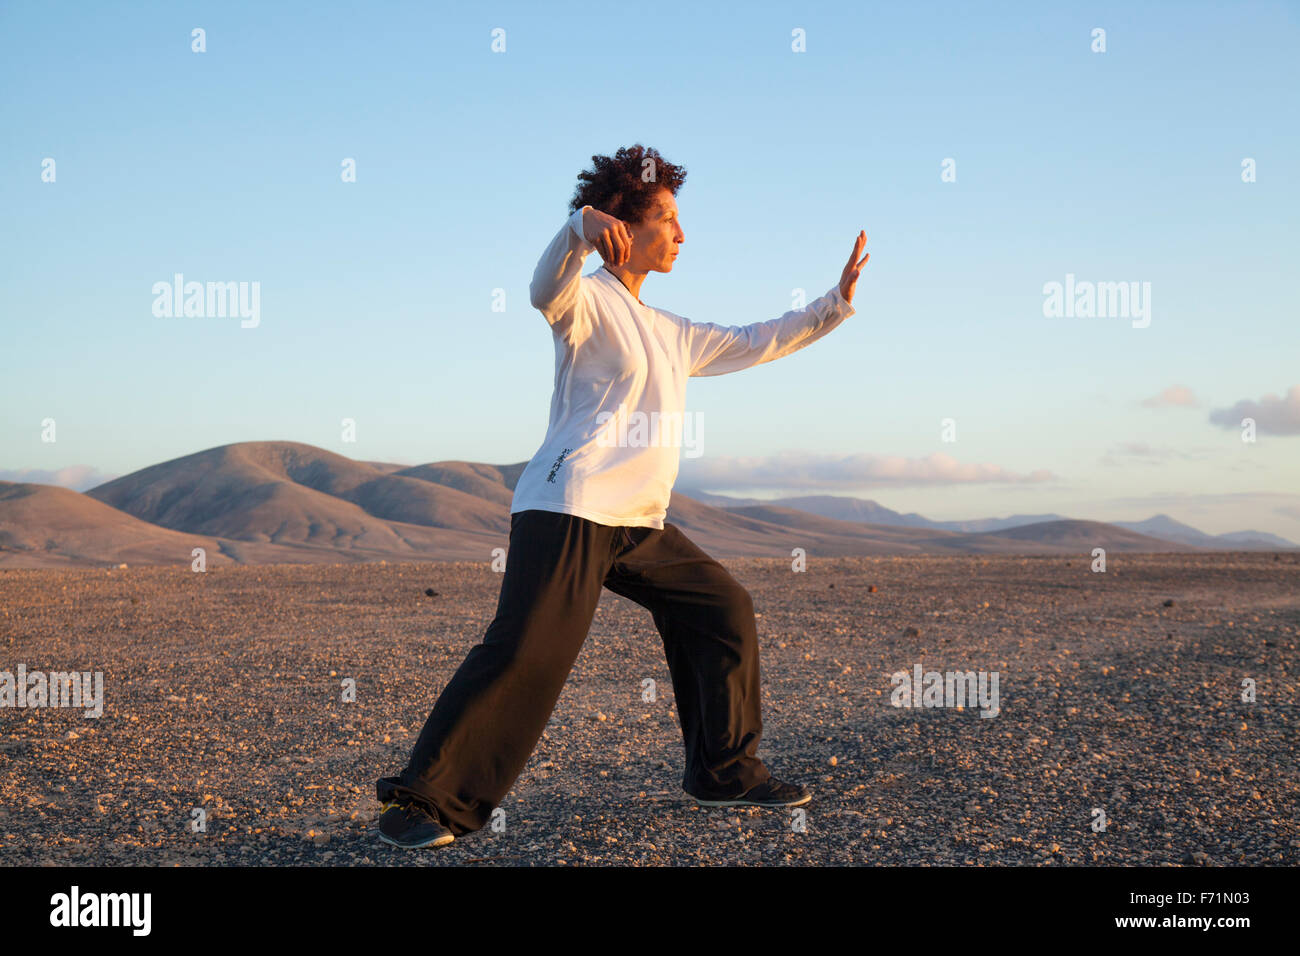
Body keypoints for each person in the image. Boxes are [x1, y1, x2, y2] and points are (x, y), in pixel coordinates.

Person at [375, 144, 870, 849]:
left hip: (638, 521)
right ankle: (425, 803)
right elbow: (544, 289)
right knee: (526, 653)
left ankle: (723, 772)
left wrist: (835, 303)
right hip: (570, 505)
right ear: (622, 225)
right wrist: (577, 230)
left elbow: (759, 339)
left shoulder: (671, 332)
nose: (680, 233)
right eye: (666, 218)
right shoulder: (585, 302)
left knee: (722, 608)